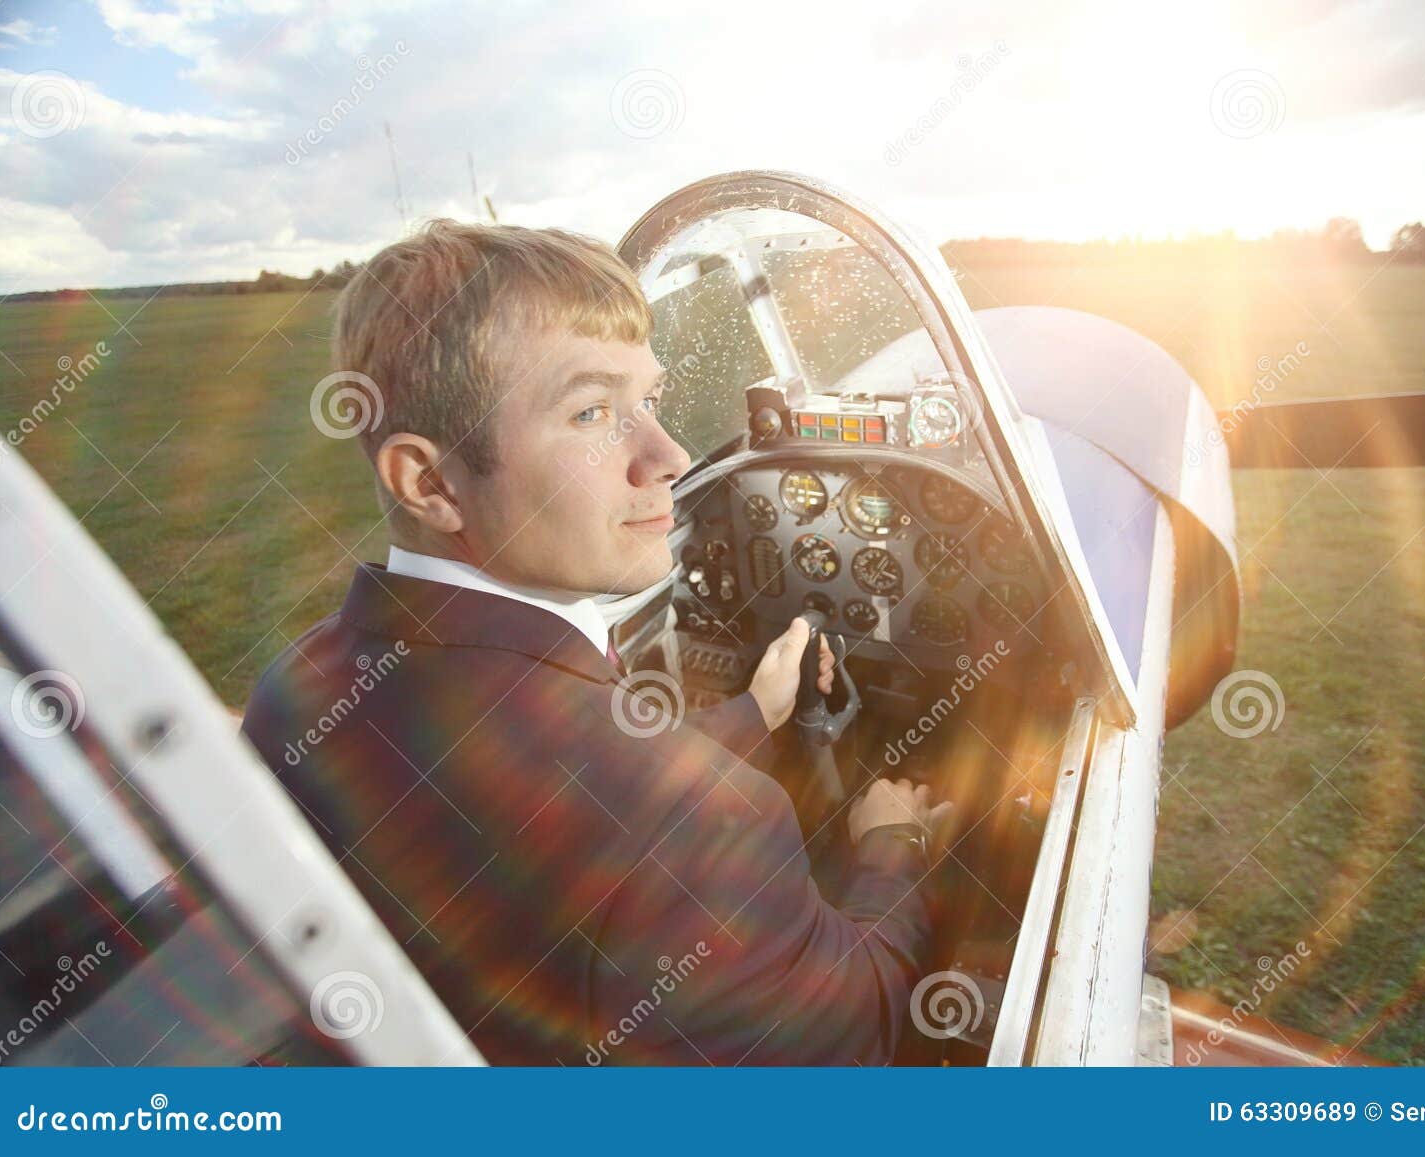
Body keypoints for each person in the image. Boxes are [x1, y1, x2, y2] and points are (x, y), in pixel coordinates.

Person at [242, 219, 952, 1065]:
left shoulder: (298, 686)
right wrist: (890, 845)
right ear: (430, 481)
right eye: (591, 412)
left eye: (647, 401)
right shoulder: (693, 820)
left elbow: (559, 780)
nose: (670, 455)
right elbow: (855, 1025)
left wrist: (754, 712)